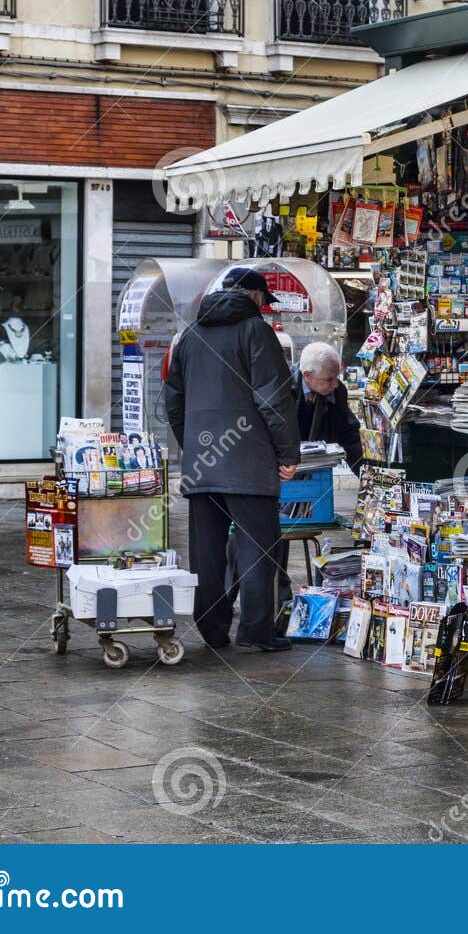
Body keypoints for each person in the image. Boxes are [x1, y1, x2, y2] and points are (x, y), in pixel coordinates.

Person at [165, 268, 301, 652]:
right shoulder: (256, 331)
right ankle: (257, 631)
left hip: (203, 463)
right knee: (258, 548)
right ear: (255, 296)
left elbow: (173, 403)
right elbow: (274, 398)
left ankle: (211, 630)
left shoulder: (189, 335)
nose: (266, 307)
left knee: (206, 554)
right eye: (265, 300)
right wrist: (288, 452)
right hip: (248, 463)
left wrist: (194, 447)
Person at [295, 341, 364, 470]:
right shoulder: (283, 389)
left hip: (319, 468)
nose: (335, 384)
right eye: (329, 379)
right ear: (307, 375)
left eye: (336, 377)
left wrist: (366, 474)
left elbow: (349, 433)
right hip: (285, 470)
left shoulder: (337, 392)